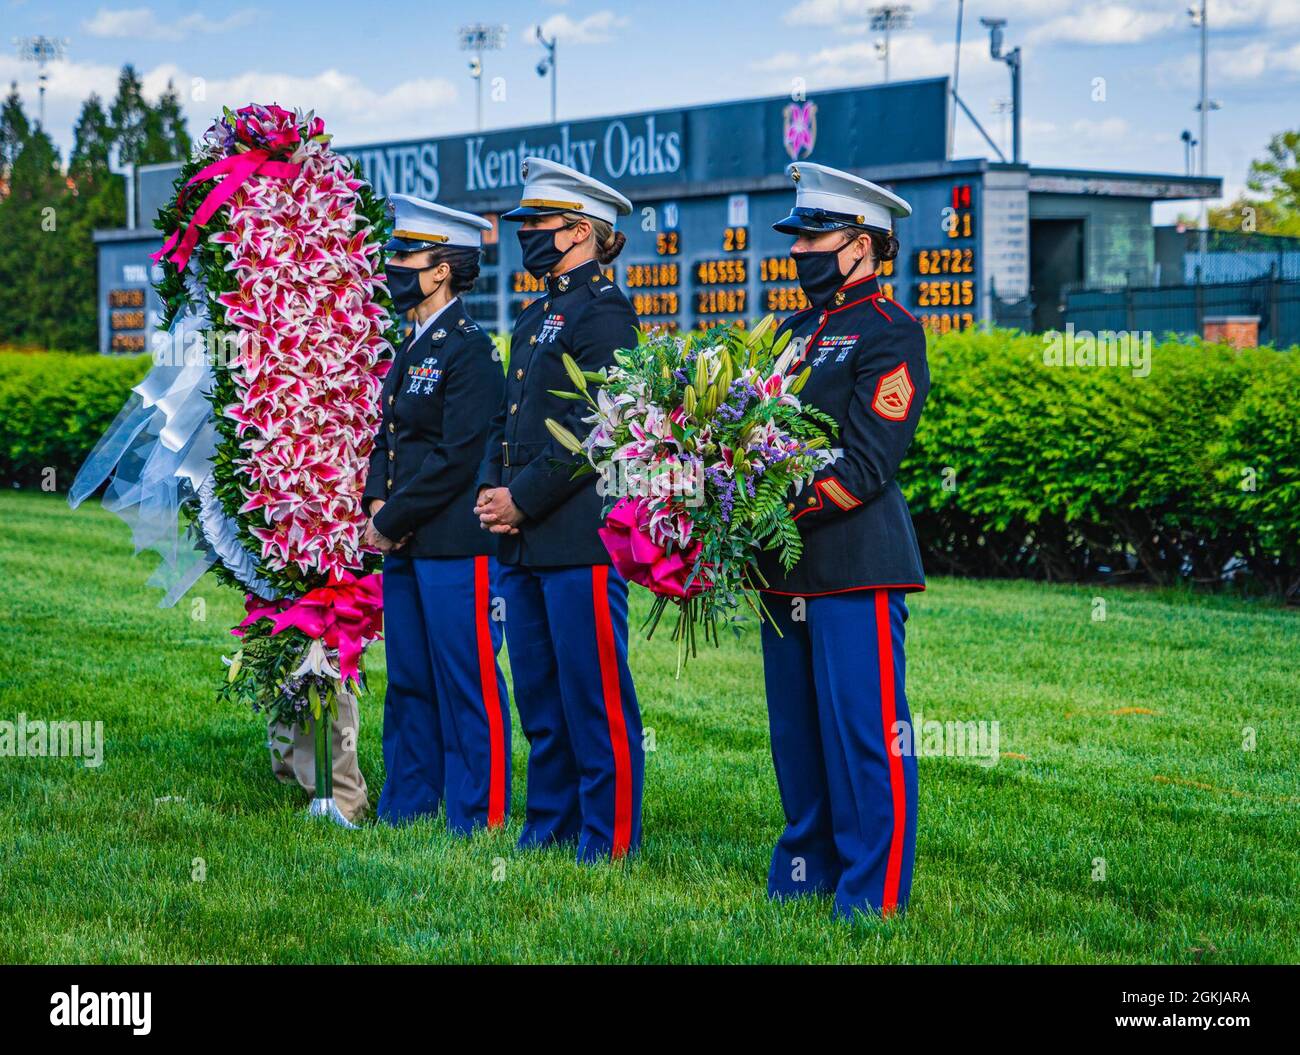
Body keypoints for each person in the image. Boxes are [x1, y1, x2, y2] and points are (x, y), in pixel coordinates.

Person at [755, 161, 930, 921]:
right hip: (782, 575)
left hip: (857, 563)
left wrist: (765, 507)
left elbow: (864, 465)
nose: (802, 252)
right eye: (798, 238)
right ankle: (805, 873)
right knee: (796, 734)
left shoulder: (891, 331)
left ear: (863, 244)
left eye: (816, 236)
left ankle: (872, 893)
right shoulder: (792, 333)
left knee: (865, 735)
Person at [474, 157, 644, 863]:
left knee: (595, 701)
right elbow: (513, 418)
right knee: (541, 701)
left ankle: (608, 842)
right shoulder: (539, 311)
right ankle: (550, 829)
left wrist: (522, 498)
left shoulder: (603, 309)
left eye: (537, 223)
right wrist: (493, 489)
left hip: (578, 537)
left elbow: (602, 423)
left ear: (579, 231)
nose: (526, 235)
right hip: (525, 542)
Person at [364, 193, 511, 834]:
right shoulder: (413, 344)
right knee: (410, 680)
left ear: (442, 268)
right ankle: (407, 805)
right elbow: (389, 437)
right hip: (407, 543)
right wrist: (376, 497)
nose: (393, 265)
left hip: (452, 543)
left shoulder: (469, 349)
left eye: (406, 255)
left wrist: (388, 518)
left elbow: (456, 457)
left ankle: (477, 813)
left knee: (466, 681)